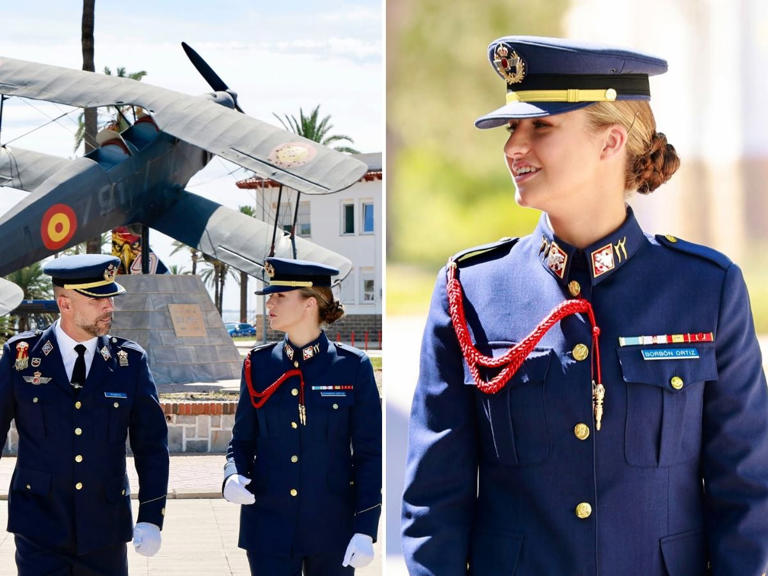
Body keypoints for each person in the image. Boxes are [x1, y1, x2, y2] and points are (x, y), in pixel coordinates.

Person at [401, 36, 768, 576]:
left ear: (610, 141)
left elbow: (746, 492)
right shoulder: (471, 290)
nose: (513, 147)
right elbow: (435, 504)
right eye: (511, 128)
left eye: (540, 126)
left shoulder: (705, 289)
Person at [0, 254, 169, 575]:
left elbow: (152, 446)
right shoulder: (21, 356)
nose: (110, 306)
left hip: (104, 528)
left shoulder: (128, 361)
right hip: (38, 525)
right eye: (97, 298)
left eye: (110, 297)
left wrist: (151, 516)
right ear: (65, 304)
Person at [223, 257, 382, 575]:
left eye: (280, 295)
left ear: (309, 304)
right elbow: (242, 441)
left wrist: (366, 527)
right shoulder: (259, 364)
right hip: (268, 528)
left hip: (332, 530)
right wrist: (231, 474)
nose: (270, 303)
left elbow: (369, 454)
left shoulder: (352, 366)